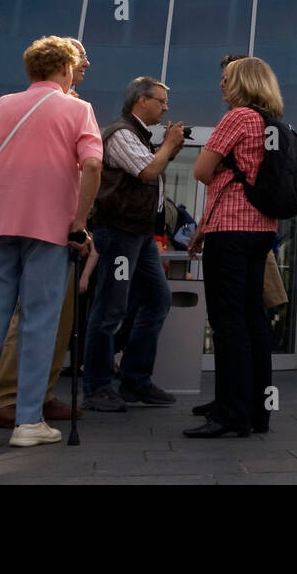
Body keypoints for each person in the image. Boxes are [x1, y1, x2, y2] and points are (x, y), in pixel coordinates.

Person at [0, 36, 103, 448]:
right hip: (48, 227)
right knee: (38, 323)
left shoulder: (1, 105)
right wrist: (80, 221)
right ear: (66, 68)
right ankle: (28, 421)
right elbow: (92, 164)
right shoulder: (78, 108)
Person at [0, 39, 92, 427]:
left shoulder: (70, 106)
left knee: (58, 314)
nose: (86, 66)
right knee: (30, 314)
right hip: (35, 224)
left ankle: (38, 394)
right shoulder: (40, 105)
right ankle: (6, 397)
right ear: (63, 65)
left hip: (53, 223)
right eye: (80, 61)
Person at [184, 56, 283, 438]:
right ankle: (257, 410)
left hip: (231, 229)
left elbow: (200, 170)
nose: (221, 86)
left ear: (242, 83)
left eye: (226, 80)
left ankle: (231, 412)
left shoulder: (238, 117)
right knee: (253, 319)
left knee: (227, 323)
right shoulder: (271, 122)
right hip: (261, 231)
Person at [82, 76, 183, 411]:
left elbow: (148, 171)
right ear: (142, 100)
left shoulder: (136, 135)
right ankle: (97, 386)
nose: (166, 107)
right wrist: (168, 146)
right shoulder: (122, 133)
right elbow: (147, 172)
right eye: (161, 100)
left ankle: (135, 380)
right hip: (121, 234)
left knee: (157, 299)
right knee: (111, 307)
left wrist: (168, 148)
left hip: (137, 235)